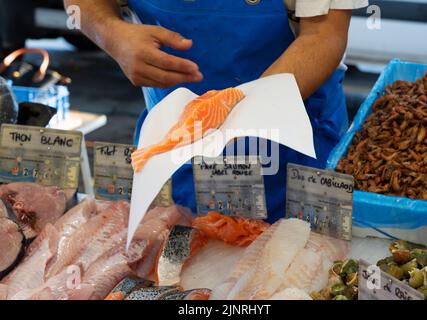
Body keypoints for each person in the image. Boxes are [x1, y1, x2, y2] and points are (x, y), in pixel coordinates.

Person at [65, 0, 368, 222]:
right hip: (177, 141)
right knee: (186, 269)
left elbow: (323, 35)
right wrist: (113, 35)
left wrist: (238, 110)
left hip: (295, 141)